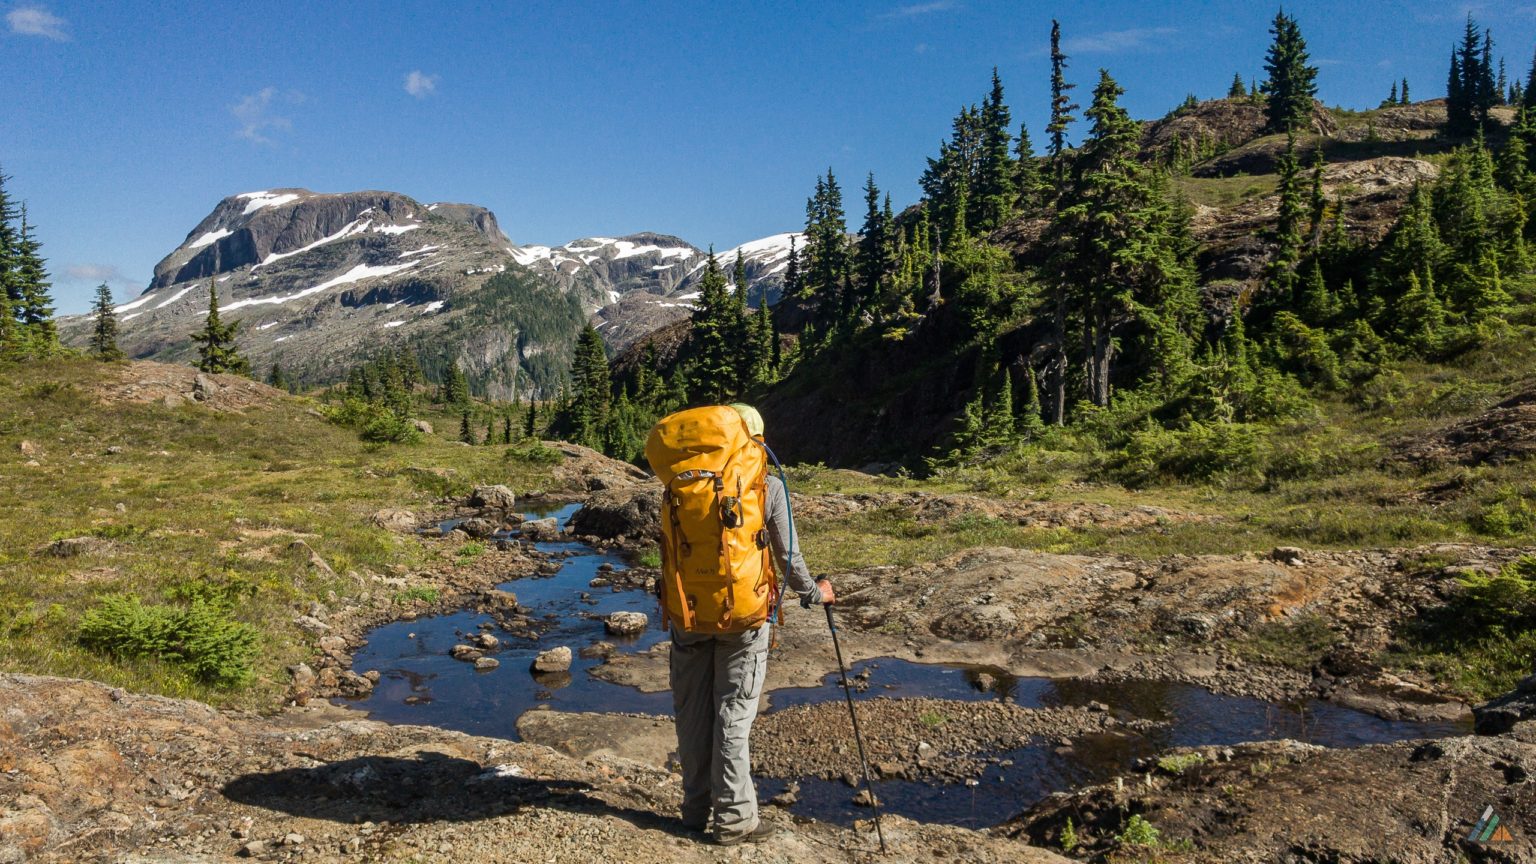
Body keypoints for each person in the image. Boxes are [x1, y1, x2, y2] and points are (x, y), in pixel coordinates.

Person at [668, 403, 834, 845]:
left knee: (693, 715)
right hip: (744, 618)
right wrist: (815, 592)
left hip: (689, 613)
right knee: (733, 716)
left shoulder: (682, 482)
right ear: (756, 439)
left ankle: (693, 811)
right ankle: (736, 821)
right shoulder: (767, 486)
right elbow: (787, 554)